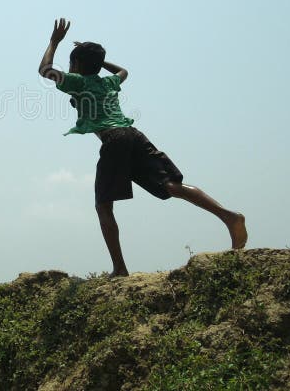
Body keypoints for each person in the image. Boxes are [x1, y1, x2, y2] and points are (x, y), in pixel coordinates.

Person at [38, 18, 247, 277]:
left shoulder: (78, 82)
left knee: (103, 205)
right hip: (134, 136)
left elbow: (45, 70)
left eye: (72, 63)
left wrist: (54, 41)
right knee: (172, 186)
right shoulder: (107, 83)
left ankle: (120, 268)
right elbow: (123, 71)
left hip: (113, 141)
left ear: (78, 65)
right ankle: (229, 216)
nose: (69, 68)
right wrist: (99, 60)